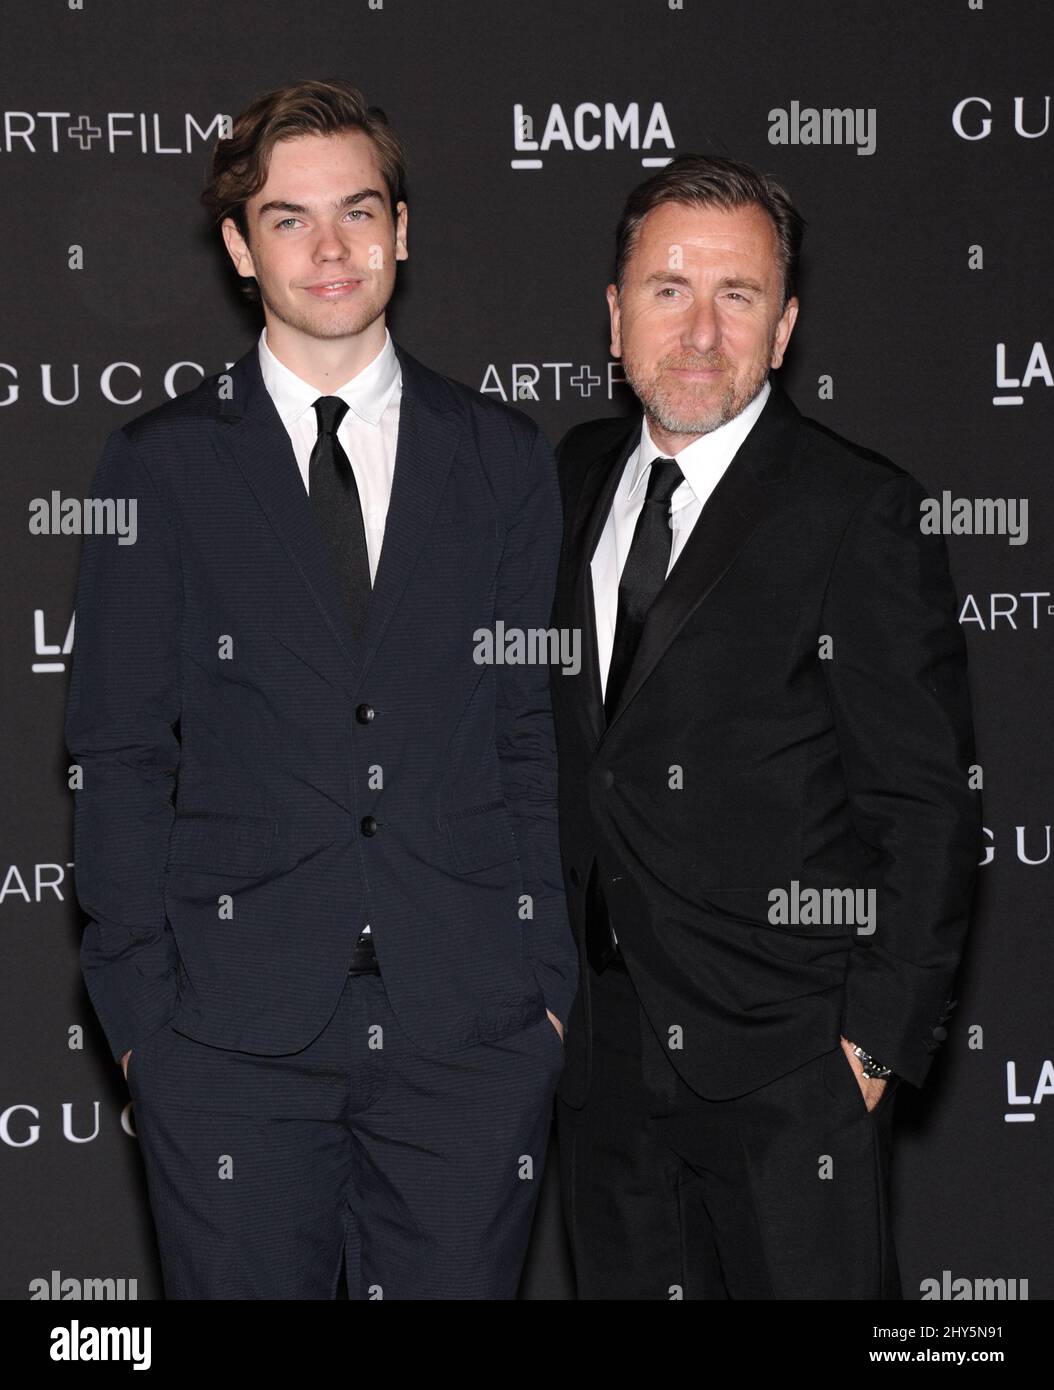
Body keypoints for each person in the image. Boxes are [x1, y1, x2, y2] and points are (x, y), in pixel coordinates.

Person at [64, 77, 575, 1300]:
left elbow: (530, 735)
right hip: (229, 1041)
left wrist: (547, 996)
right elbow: (118, 750)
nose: (331, 248)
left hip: (469, 1034)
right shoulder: (158, 467)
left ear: (403, 227)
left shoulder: (500, 455)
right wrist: (147, 1025)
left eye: (358, 210)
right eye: (290, 219)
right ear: (241, 248)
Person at [548, 153, 981, 1299]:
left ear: (783, 329)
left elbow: (924, 804)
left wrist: (869, 1051)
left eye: (736, 295)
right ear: (614, 314)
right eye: (667, 289)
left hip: (789, 1068)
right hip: (600, 1060)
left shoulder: (855, 509)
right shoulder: (569, 477)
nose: (698, 329)